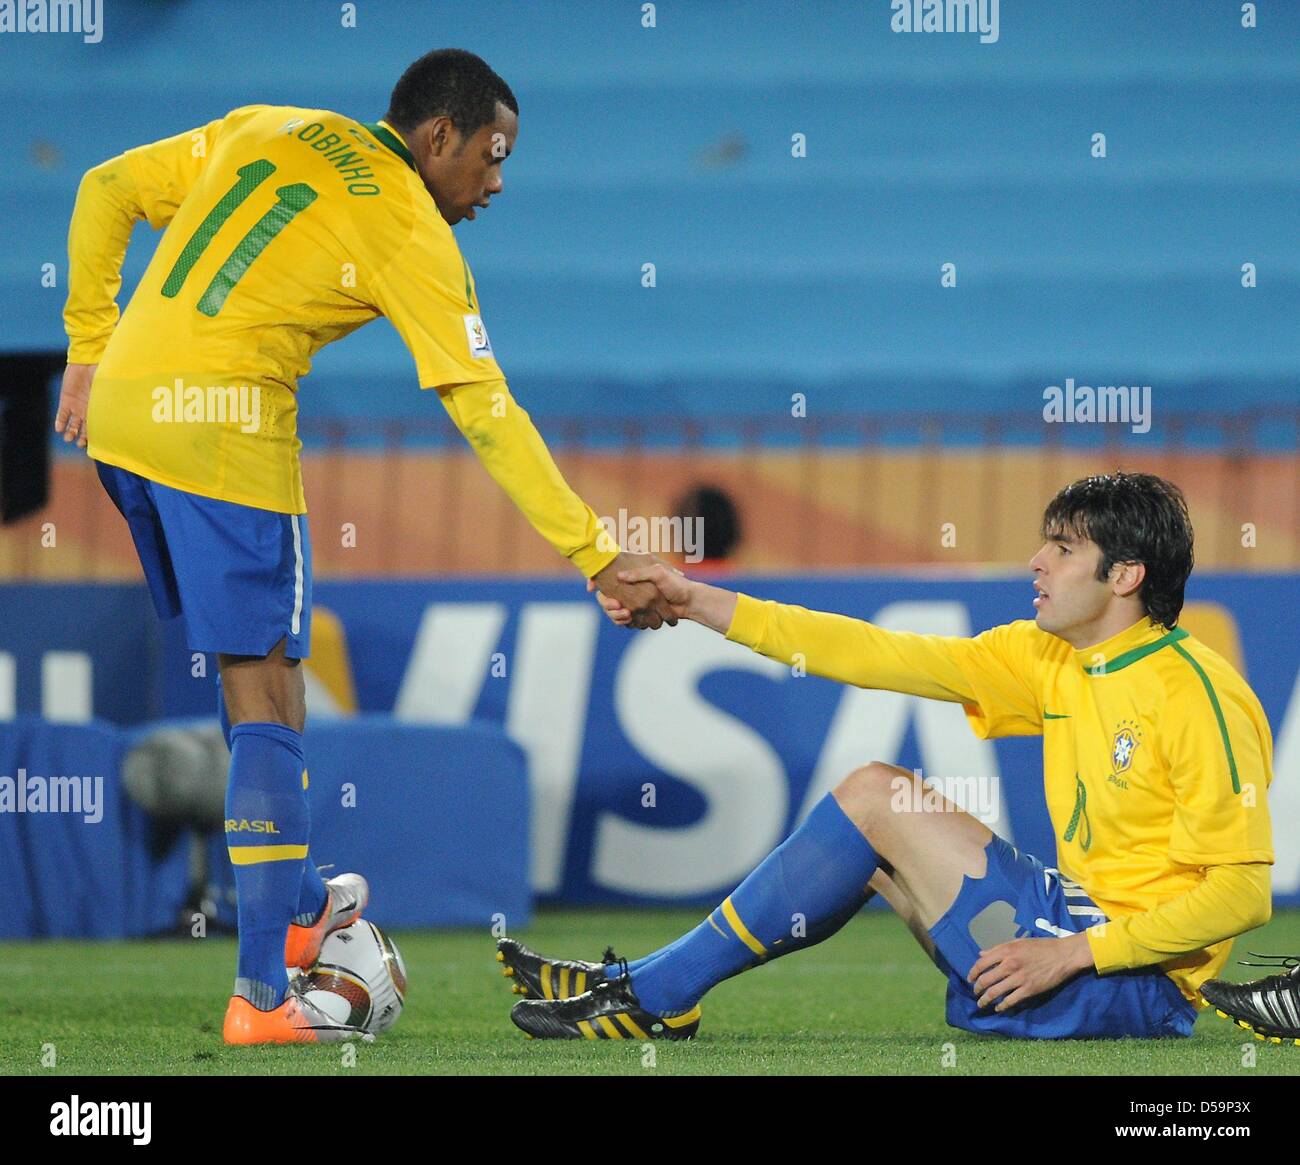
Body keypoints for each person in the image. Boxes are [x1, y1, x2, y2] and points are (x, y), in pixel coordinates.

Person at [56, 48, 674, 1045]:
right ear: (438, 137)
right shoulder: (405, 225)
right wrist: (593, 551)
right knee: (270, 698)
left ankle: (299, 902)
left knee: (250, 688)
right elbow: (484, 407)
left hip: (126, 416)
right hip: (223, 429)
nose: (497, 182)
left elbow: (105, 187)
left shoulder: (273, 123)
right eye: (491, 154)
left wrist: (88, 345)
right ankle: (264, 995)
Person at [502, 472, 1276, 1041]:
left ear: (1127, 576)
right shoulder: (1050, 655)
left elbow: (1241, 897)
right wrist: (694, 598)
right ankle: (650, 988)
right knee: (864, 832)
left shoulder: (1198, 694)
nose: (1037, 561)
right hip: (1077, 928)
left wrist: (1075, 951)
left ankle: (650, 993)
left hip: (1137, 985)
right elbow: (872, 650)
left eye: (1064, 548)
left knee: (876, 794)